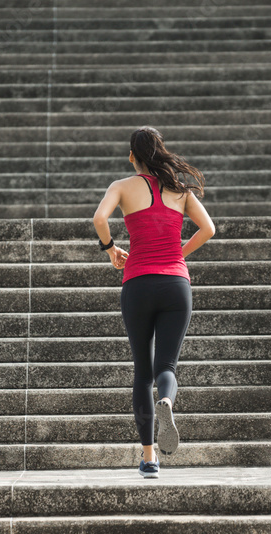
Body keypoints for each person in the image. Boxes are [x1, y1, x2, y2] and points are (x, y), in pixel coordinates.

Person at [91, 126, 216, 479]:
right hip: (176, 284)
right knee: (167, 368)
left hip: (138, 282)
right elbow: (209, 229)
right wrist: (178, 252)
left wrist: (110, 249)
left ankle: (149, 458)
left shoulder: (122, 187)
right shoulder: (181, 190)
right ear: (160, 152)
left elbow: (99, 219)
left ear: (132, 156)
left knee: (141, 373)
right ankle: (168, 401)